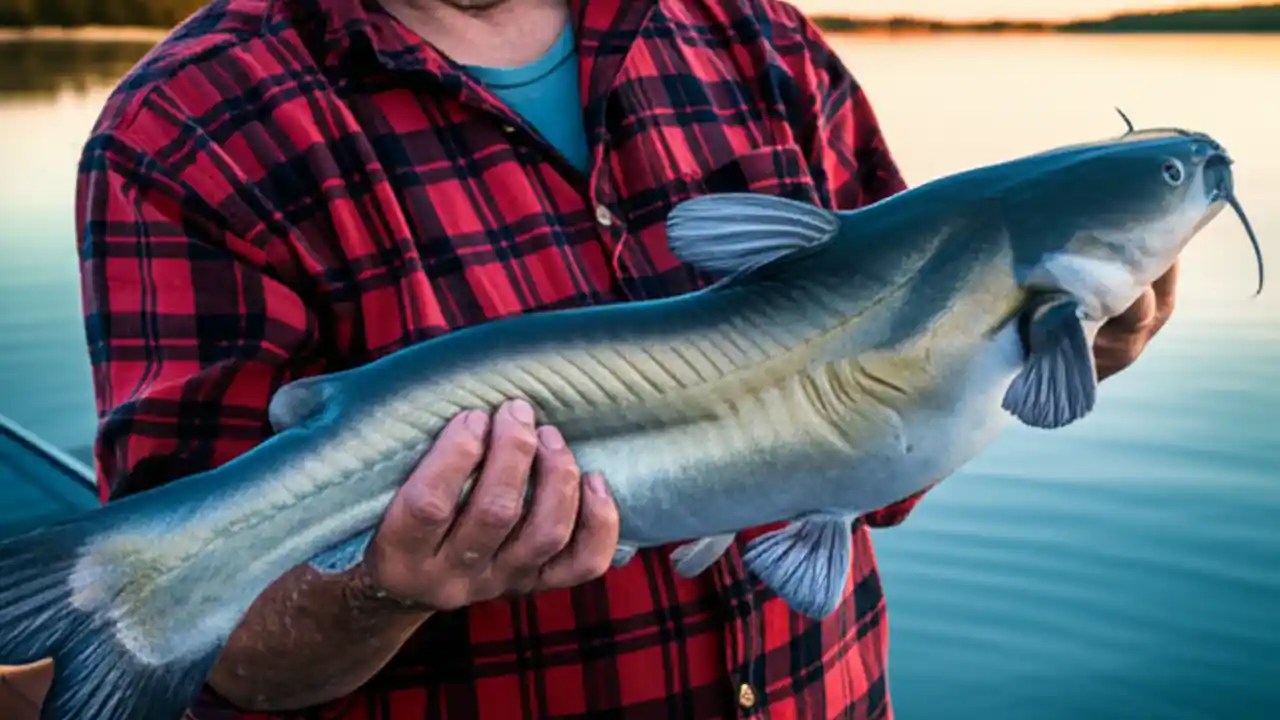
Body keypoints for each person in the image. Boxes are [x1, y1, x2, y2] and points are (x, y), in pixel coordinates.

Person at [72, 0, 1180, 717]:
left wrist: (1053, 348)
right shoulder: (187, 127)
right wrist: (376, 588)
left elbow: (873, 457)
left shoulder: (758, 41)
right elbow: (227, 661)